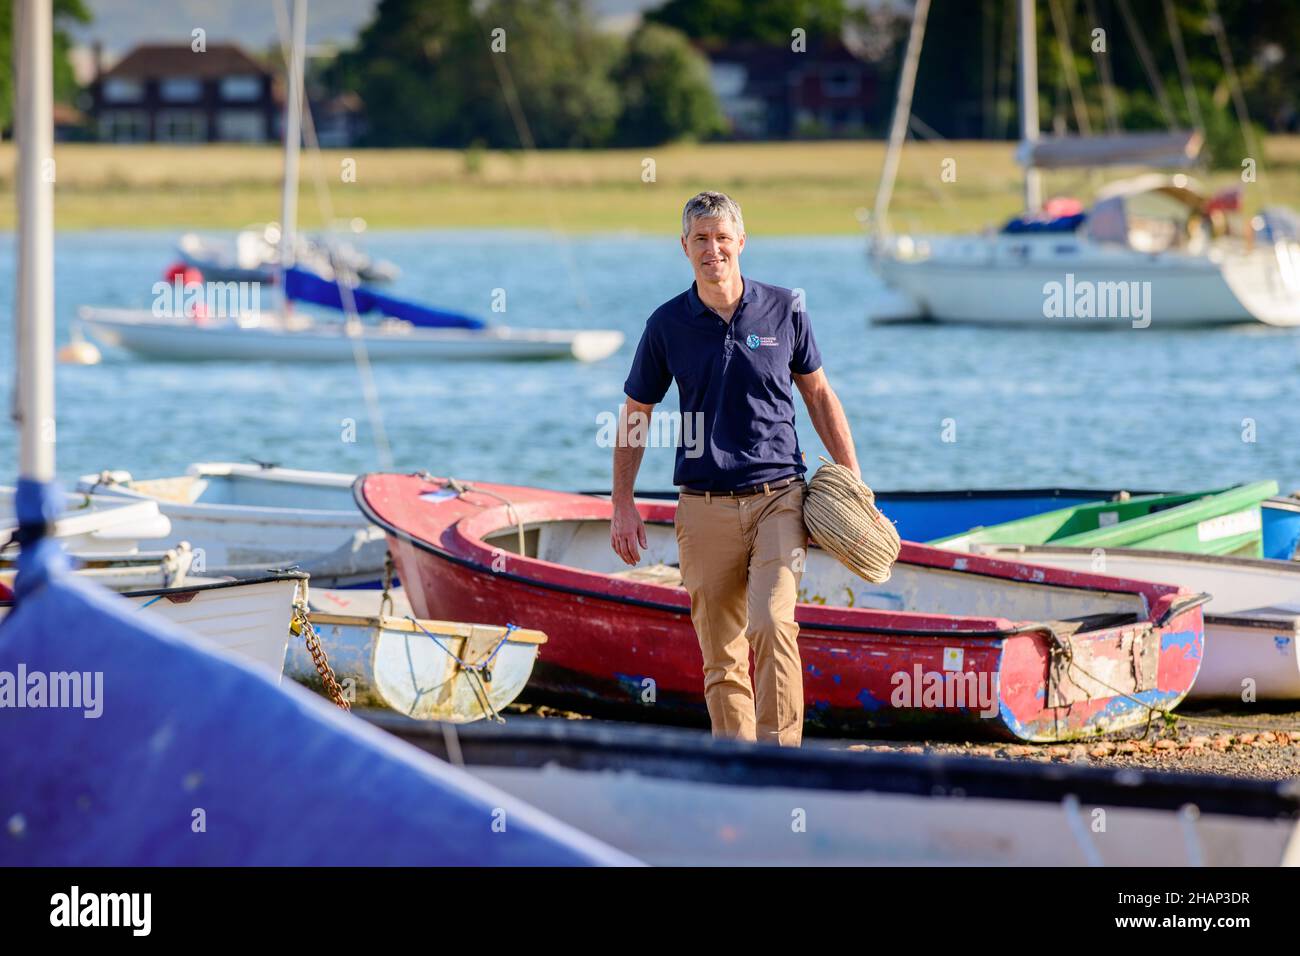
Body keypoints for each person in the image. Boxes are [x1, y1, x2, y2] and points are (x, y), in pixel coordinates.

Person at [610, 190, 861, 747]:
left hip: (780, 498)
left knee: (773, 623)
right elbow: (635, 415)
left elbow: (819, 396)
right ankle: (738, 767)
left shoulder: (785, 307)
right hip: (702, 507)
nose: (713, 250)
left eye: (723, 238)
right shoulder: (666, 324)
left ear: (741, 242)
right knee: (721, 653)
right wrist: (622, 503)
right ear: (685, 248)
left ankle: (780, 758)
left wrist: (853, 481)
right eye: (701, 239)